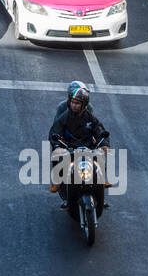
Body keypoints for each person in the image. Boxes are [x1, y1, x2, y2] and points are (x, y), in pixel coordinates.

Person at [48, 82, 111, 210]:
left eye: (78, 103)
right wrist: (57, 144)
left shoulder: (89, 114)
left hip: (86, 143)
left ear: (84, 105)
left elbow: (98, 129)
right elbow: (55, 129)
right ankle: (58, 183)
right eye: (73, 102)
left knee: (100, 156)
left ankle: (101, 182)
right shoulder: (63, 112)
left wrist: (103, 144)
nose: (74, 105)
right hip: (68, 143)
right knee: (57, 157)